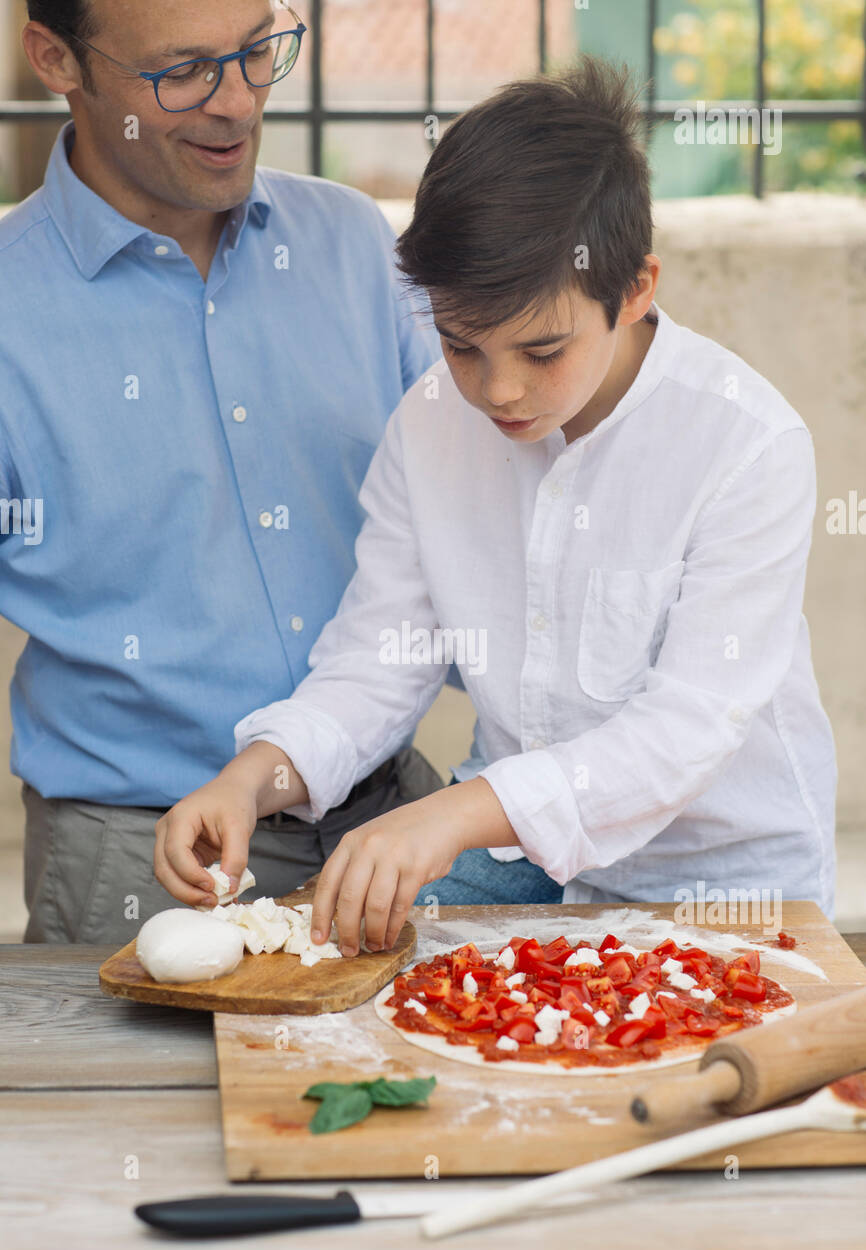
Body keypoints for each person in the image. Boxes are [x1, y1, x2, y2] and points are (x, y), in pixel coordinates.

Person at [156, 57, 837, 957]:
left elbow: (685, 732)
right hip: (515, 854)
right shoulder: (429, 424)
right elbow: (376, 662)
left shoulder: (748, 445)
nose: (498, 391)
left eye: (542, 349)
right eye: (460, 344)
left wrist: (449, 816)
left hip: (722, 876)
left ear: (635, 288)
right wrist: (250, 779)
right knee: (332, 981)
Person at [2, 0, 445, 944]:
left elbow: (477, 510)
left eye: (256, 53)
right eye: (184, 72)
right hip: (148, 862)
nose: (238, 104)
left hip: (393, 825)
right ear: (55, 58)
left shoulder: (356, 245)